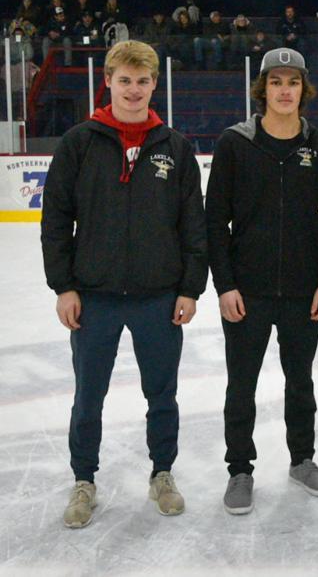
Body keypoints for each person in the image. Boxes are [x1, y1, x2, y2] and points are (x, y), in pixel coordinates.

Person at [40, 40, 207, 529]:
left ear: (155, 84)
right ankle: (83, 480)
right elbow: (55, 220)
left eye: (143, 81)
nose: (133, 90)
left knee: (162, 394)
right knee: (88, 396)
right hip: (95, 296)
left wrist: (190, 288)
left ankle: (162, 473)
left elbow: (192, 226)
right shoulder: (78, 143)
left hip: (159, 297)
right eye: (125, 80)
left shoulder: (174, 147)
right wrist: (63, 286)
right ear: (108, 81)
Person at [205, 47, 318, 514]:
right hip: (246, 291)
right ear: (261, 88)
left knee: (300, 381)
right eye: (276, 82)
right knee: (241, 386)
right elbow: (213, 224)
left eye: (293, 83)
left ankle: (301, 460)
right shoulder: (234, 144)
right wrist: (224, 285)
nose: (285, 91)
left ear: (305, 90)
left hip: (304, 292)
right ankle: (240, 469)